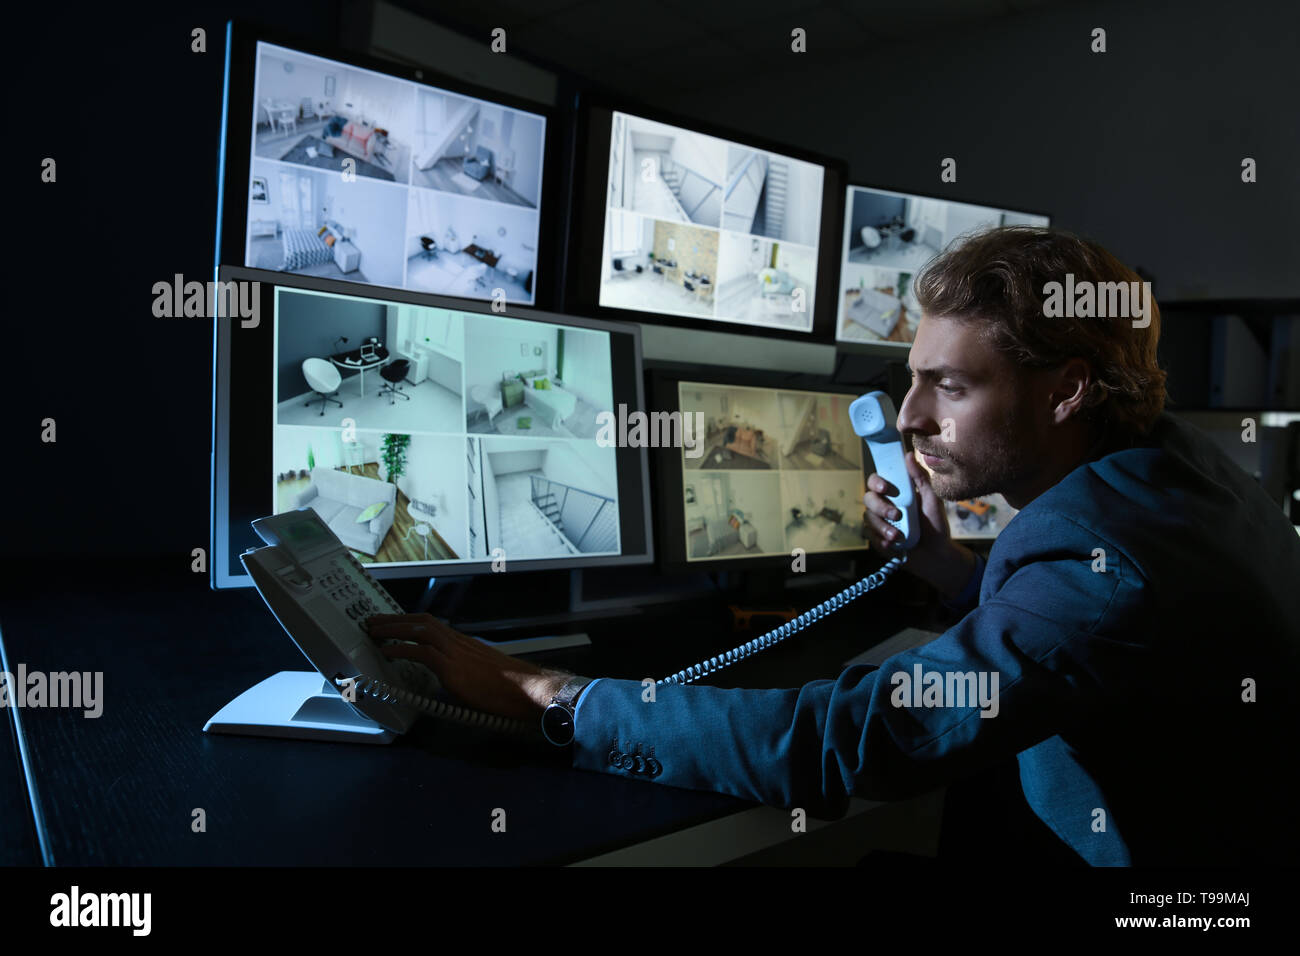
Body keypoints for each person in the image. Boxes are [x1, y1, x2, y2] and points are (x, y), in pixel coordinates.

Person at [367, 226, 1300, 866]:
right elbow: (1091, 655)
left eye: (949, 387)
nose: (908, 417)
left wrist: (550, 695)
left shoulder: (1102, 562)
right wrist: (950, 572)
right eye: (910, 381)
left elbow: (846, 740)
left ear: (1066, 391)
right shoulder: (1191, 475)